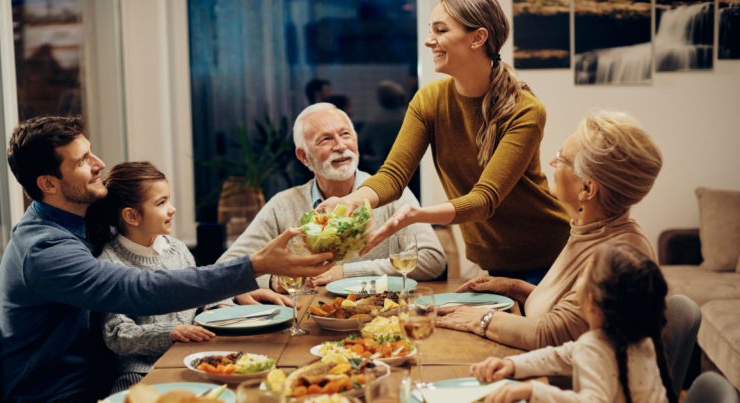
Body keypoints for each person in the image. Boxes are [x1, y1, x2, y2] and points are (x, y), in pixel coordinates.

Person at [0, 116, 333, 403]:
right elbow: (140, 289)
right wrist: (254, 266)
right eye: (83, 160)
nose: (99, 164)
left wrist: (231, 293)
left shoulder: (79, 227)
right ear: (48, 183)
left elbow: (162, 272)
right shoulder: (44, 251)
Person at [318, 0, 570, 285]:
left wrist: (415, 215)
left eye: (440, 30)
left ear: (478, 38)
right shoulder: (430, 100)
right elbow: (393, 176)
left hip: (550, 257)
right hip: (492, 260)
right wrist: (350, 202)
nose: (429, 41)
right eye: (430, 30)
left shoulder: (525, 109)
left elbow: (484, 199)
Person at [435, 110, 663, 350]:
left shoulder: (618, 257)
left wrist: (478, 318)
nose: (552, 164)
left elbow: (551, 334)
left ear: (587, 189)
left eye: (561, 159)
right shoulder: (591, 229)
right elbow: (572, 313)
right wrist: (513, 287)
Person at [83, 162, 291, 392]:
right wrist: (170, 333)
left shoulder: (177, 248)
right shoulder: (108, 263)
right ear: (132, 216)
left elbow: (200, 296)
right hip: (142, 375)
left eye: (168, 200)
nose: (172, 209)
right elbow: (117, 334)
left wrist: (219, 306)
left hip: (194, 359)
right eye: (161, 203)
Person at [218, 103, 445, 288]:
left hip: (381, 319)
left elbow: (432, 260)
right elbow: (227, 268)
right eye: (325, 139)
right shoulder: (283, 205)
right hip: (307, 325)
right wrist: (273, 281)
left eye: (345, 135)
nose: (340, 146)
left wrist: (344, 272)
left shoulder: (391, 195)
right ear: (304, 157)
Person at [470, 243, 674, 403]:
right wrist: (512, 364)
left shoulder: (596, 347)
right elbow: (561, 355)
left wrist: (532, 391)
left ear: (593, 301)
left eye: (582, 277)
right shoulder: (638, 338)